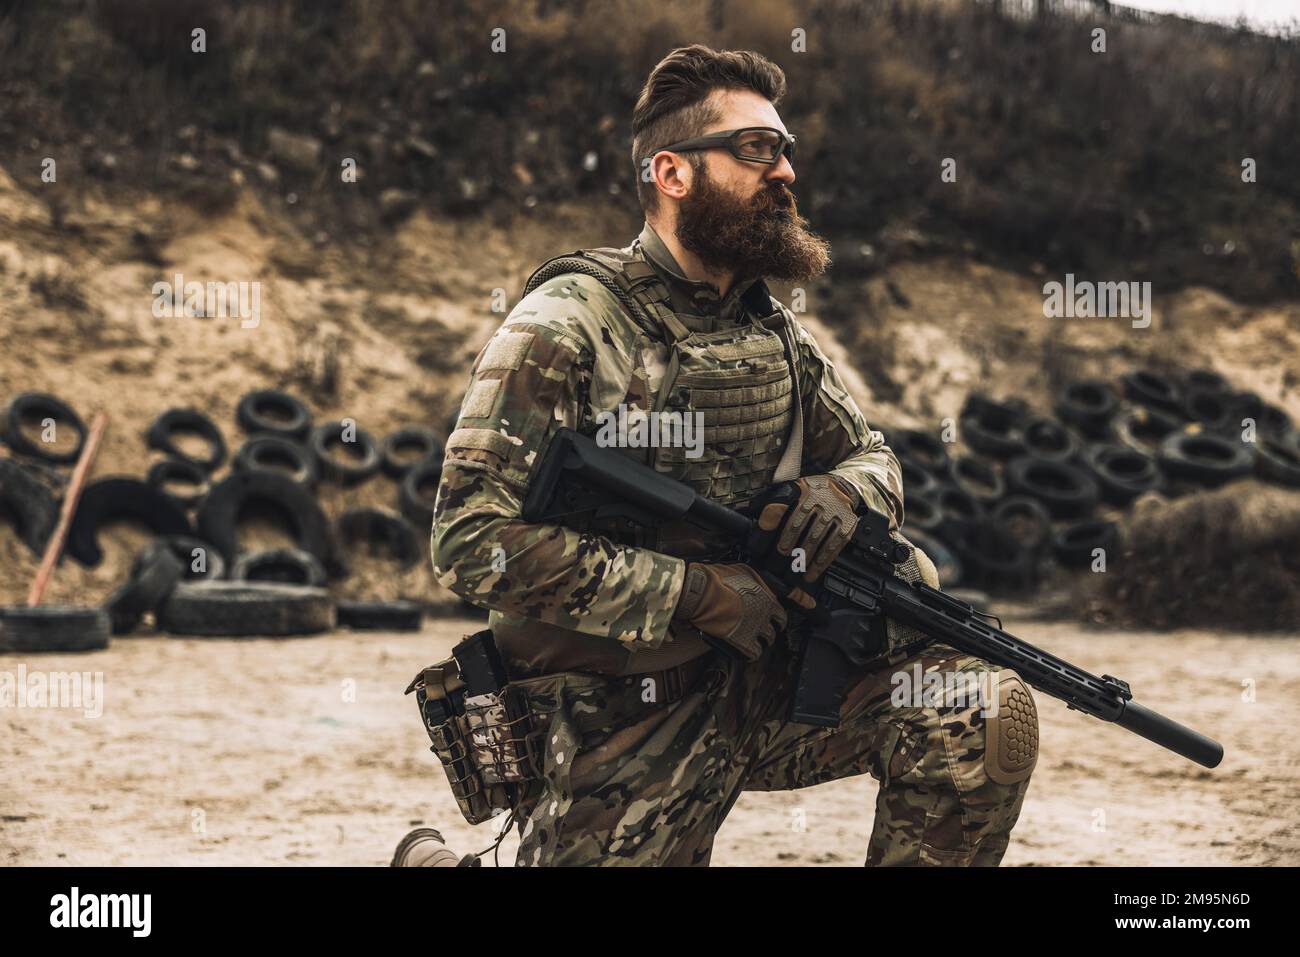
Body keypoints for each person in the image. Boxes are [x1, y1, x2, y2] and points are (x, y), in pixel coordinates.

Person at [397, 44, 1038, 867]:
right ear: (672, 173)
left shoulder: (771, 330)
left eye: (786, 150)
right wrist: (695, 593)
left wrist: (846, 495)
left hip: (763, 683)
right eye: (756, 149)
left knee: (978, 709)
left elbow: (873, 456)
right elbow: (470, 540)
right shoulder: (568, 323)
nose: (786, 172)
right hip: (620, 709)